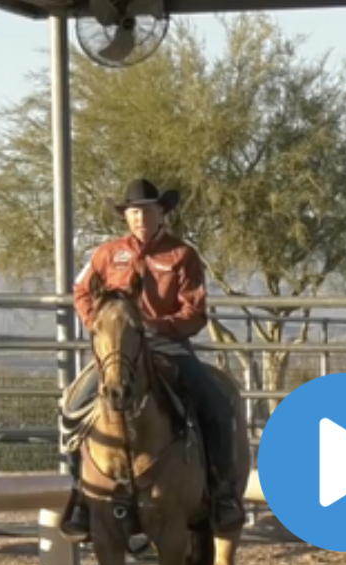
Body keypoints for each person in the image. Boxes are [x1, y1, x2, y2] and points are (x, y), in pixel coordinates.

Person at [58, 177, 245, 541]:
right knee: (73, 407)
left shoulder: (182, 255)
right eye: (133, 212)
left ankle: (223, 493)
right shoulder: (107, 254)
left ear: (161, 214)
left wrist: (156, 326)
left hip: (168, 346)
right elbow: (81, 288)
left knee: (217, 404)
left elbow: (195, 311)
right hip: (117, 353)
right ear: (125, 217)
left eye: (147, 210)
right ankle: (80, 495)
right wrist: (98, 323)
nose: (140, 217)